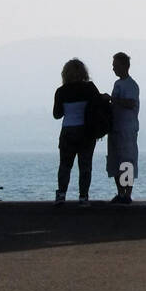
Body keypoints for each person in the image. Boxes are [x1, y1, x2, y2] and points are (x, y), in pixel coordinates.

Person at [54, 58, 100, 205]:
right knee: (85, 165)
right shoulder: (90, 88)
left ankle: (61, 194)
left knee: (65, 165)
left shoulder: (61, 91)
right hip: (86, 131)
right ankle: (83, 196)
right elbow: (98, 106)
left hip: (68, 131)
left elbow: (57, 114)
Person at [107, 51, 140, 204]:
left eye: (115, 66)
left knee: (126, 161)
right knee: (115, 161)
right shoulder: (118, 84)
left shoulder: (131, 85)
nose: (113, 69)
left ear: (124, 66)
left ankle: (127, 193)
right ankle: (121, 192)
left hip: (127, 129)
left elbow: (130, 103)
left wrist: (112, 99)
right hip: (116, 128)